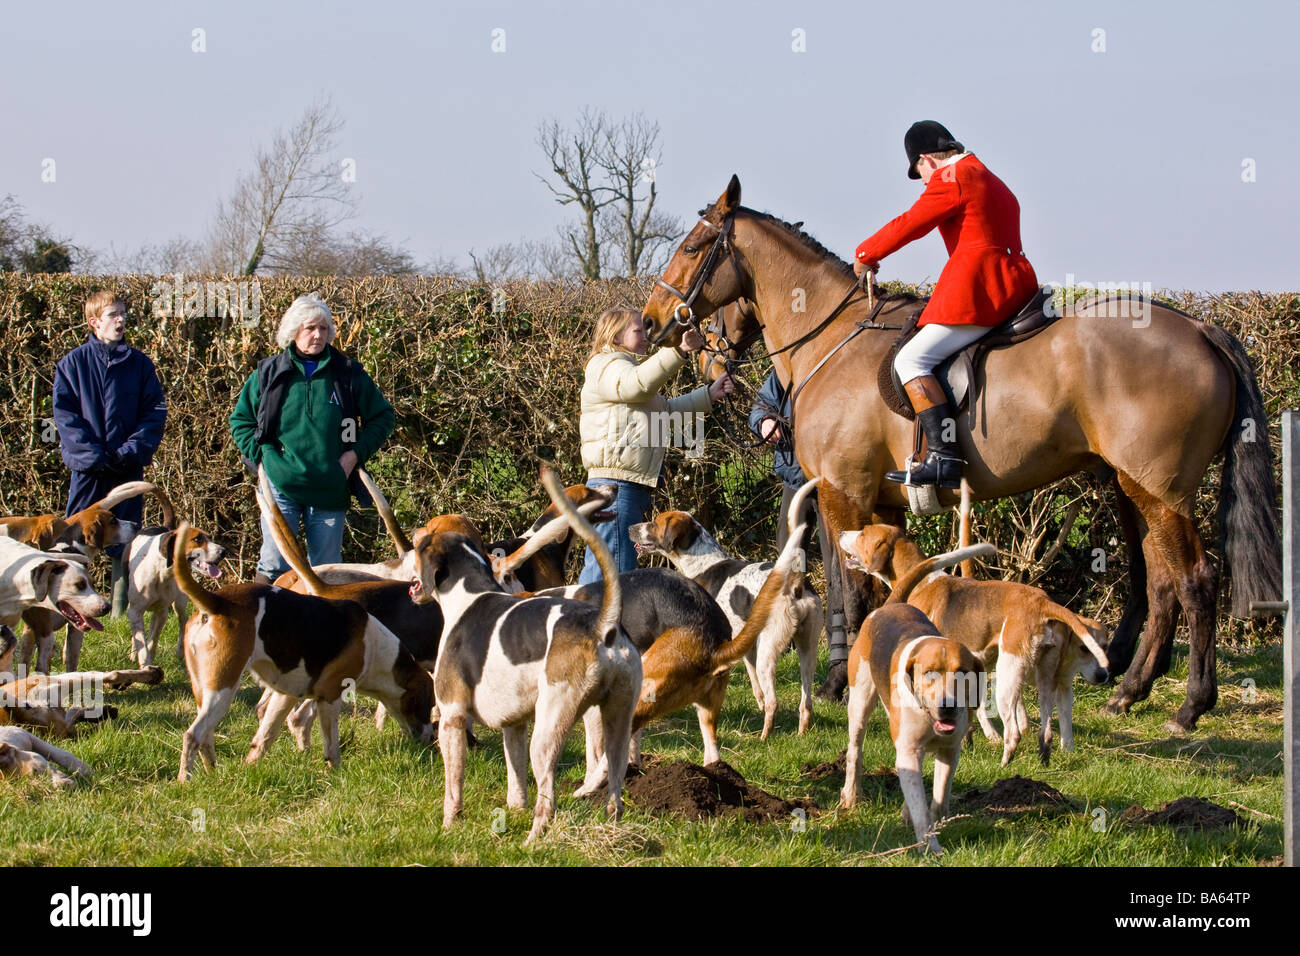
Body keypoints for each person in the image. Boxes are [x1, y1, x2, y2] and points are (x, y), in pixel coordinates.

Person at [854, 120, 1039, 489]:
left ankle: (944, 456)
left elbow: (911, 223)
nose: (923, 181)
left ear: (927, 159)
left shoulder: (952, 177)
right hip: (1016, 285)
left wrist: (865, 254)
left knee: (911, 360)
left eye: (919, 171)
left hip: (981, 293)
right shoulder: (989, 176)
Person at [230, 293, 395, 583]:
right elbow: (240, 421)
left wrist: (353, 456)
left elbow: (383, 417)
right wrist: (264, 459)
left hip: (330, 488)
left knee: (328, 571)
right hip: (280, 488)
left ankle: (321, 629)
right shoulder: (268, 373)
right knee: (273, 564)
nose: (318, 335)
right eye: (310, 328)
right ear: (293, 330)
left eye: (323, 328)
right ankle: (264, 626)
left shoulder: (347, 373)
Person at [577, 308, 733, 585]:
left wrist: (708, 395)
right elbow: (637, 385)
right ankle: (592, 626)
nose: (646, 335)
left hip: (626, 486)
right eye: (639, 330)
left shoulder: (624, 370)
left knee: (607, 574)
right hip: (616, 486)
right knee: (613, 580)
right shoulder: (606, 366)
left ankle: (587, 624)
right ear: (615, 335)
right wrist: (680, 351)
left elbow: (665, 412)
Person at [53, 290, 167, 614]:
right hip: (88, 472)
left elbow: (154, 414)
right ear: (94, 322)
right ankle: (70, 609)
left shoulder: (141, 365)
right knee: (75, 539)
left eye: (123, 314)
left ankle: (119, 617)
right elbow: (66, 418)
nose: (121, 320)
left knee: (126, 542)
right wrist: (95, 456)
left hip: (126, 470)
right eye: (113, 315)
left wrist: (127, 453)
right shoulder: (71, 365)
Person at [748, 370, 848, 701]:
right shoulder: (785, 369)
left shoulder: (835, 363)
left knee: (838, 569)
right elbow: (760, 406)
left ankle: (840, 657)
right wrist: (763, 422)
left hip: (833, 484)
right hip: (795, 481)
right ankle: (791, 636)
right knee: (790, 563)